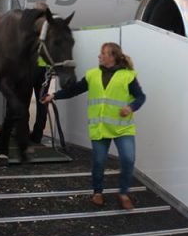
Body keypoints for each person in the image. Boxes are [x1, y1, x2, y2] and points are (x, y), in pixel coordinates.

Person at [42, 42, 145, 210]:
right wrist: (53, 95)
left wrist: (131, 107)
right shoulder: (92, 75)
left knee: (128, 159)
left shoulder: (128, 76)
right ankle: (98, 192)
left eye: (103, 53)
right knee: (99, 162)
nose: (99, 56)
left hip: (122, 128)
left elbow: (141, 97)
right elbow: (74, 90)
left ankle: (123, 193)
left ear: (112, 57)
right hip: (100, 128)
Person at [29, 55, 49, 144]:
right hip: (46, 68)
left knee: (24, 100)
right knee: (42, 102)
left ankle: (24, 132)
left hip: (30, 66)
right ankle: (38, 135)